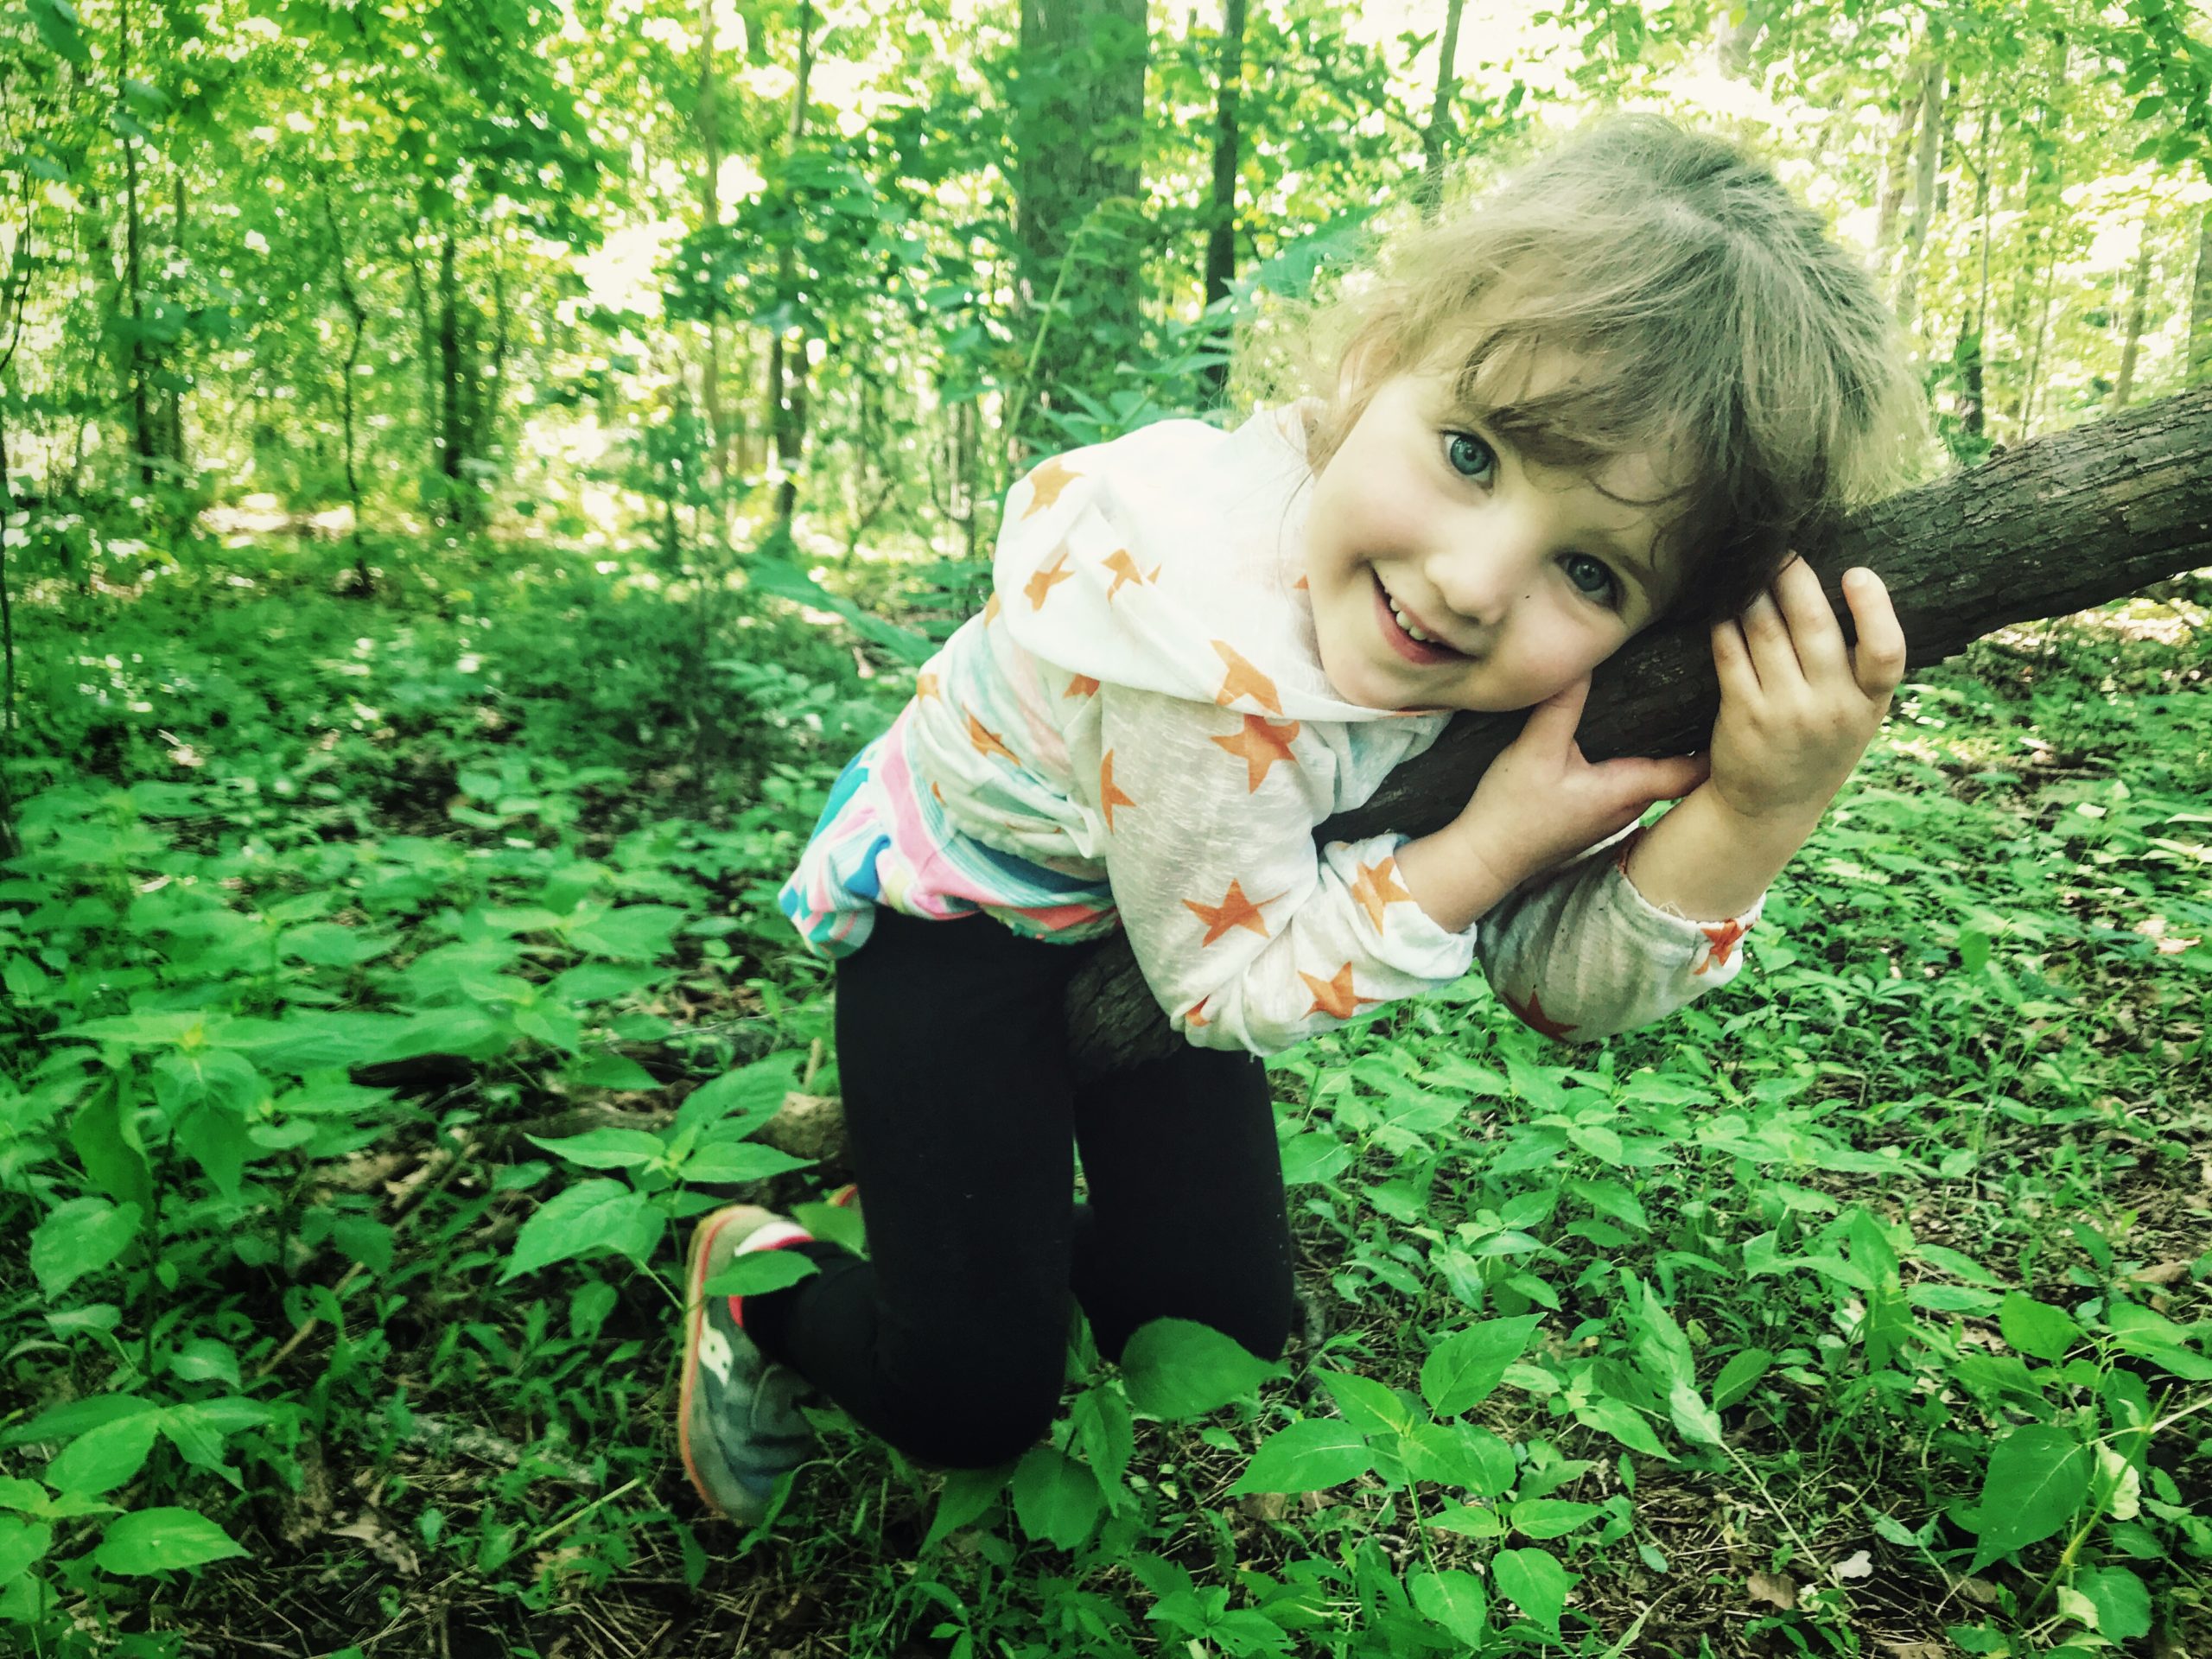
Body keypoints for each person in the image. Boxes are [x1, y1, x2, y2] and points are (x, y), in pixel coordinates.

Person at [676, 115, 1923, 1522]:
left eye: (1591, 569)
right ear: (1372, 364)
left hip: (1171, 908)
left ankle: (942, 1234)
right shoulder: (1203, 660)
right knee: (970, 1398)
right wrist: (1487, 846)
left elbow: (1553, 988)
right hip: (965, 917)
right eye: (1472, 453)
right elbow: (1227, 989)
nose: (1471, 584)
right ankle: (770, 1286)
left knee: (1215, 1322)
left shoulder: (1492, 654)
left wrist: (1757, 811)